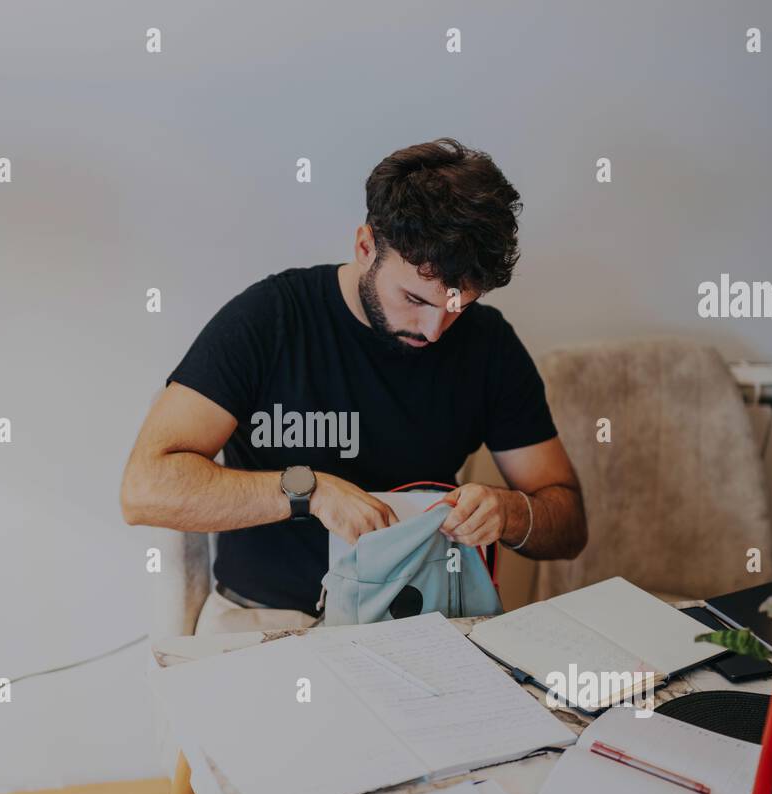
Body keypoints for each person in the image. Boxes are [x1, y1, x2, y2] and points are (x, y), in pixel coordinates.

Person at [121, 138, 586, 634]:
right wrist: (309, 491)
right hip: (270, 619)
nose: (433, 332)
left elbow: (568, 525)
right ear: (366, 247)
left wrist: (513, 512)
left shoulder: (488, 345)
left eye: (456, 308)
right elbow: (144, 489)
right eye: (414, 299)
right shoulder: (270, 319)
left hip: (414, 619)